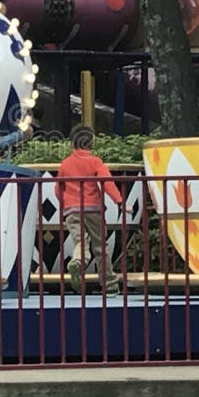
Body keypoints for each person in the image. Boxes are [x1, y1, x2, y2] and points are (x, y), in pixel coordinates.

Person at [55, 125, 125, 296]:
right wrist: (120, 201)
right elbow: (107, 182)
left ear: (72, 143)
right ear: (90, 144)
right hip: (93, 208)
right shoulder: (96, 162)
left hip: (72, 209)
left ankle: (78, 261)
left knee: (80, 242)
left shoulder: (65, 164)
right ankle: (109, 285)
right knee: (101, 246)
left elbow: (58, 189)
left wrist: (65, 204)